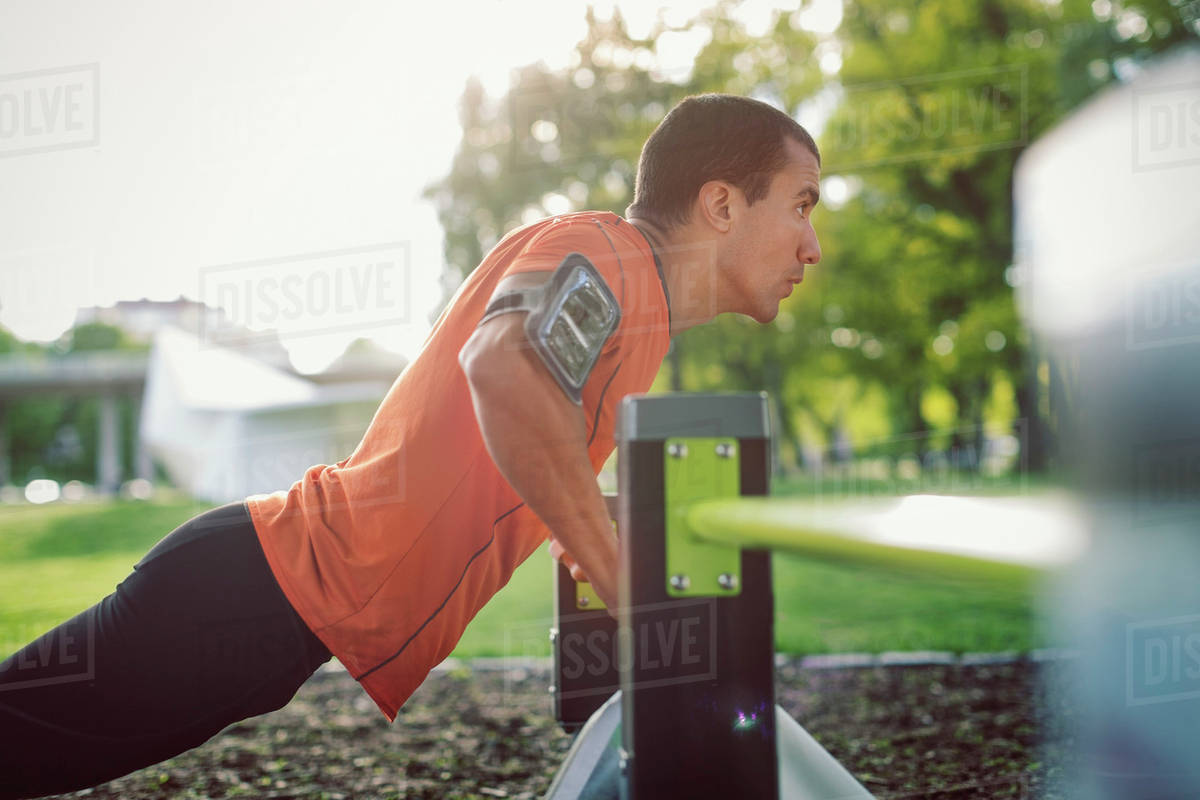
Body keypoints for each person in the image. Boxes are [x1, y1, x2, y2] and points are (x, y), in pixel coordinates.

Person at [0, 93, 822, 798]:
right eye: (801, 205)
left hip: (272, 610)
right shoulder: (604, 254)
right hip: (250, 587)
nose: (811, 247)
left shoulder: (633, 310)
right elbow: (503, 370)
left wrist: (590, 532)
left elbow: (512, 437)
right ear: (721, 204)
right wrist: (618, 575)